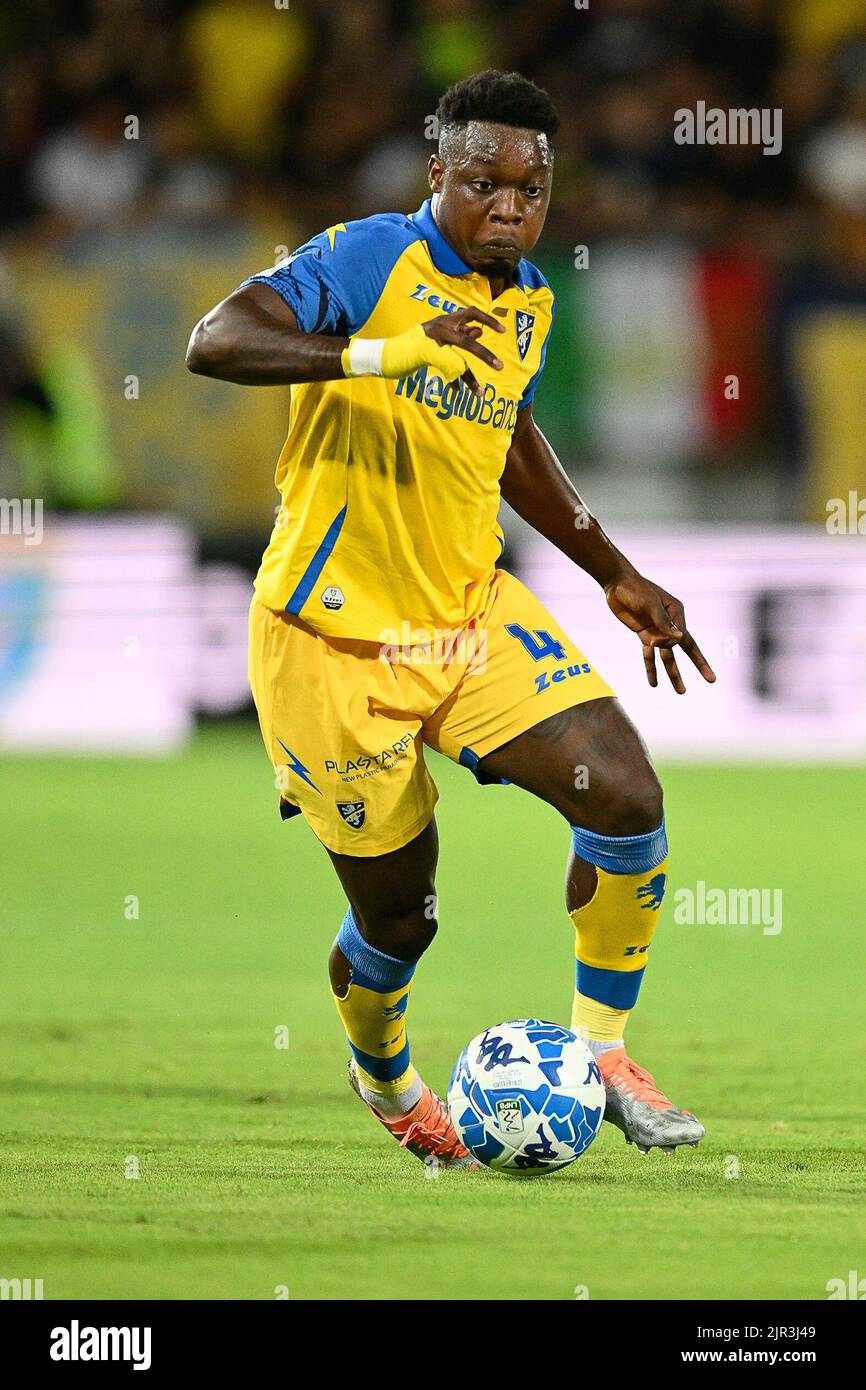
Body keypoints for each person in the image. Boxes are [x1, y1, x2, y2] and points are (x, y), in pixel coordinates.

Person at [186, 69, 715, 1168]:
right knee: (401, 921)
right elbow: (216, 340)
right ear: (438, 175)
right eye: (484, 183)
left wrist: (611, 568)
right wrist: (387, 352)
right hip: (331, 644)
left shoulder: (524, 296)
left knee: (623, 798)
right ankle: (386, 1081)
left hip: (466, 617)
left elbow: (509, 437)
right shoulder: (373, 257)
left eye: (531, 188)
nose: (509, 207)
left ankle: (605, 1052)